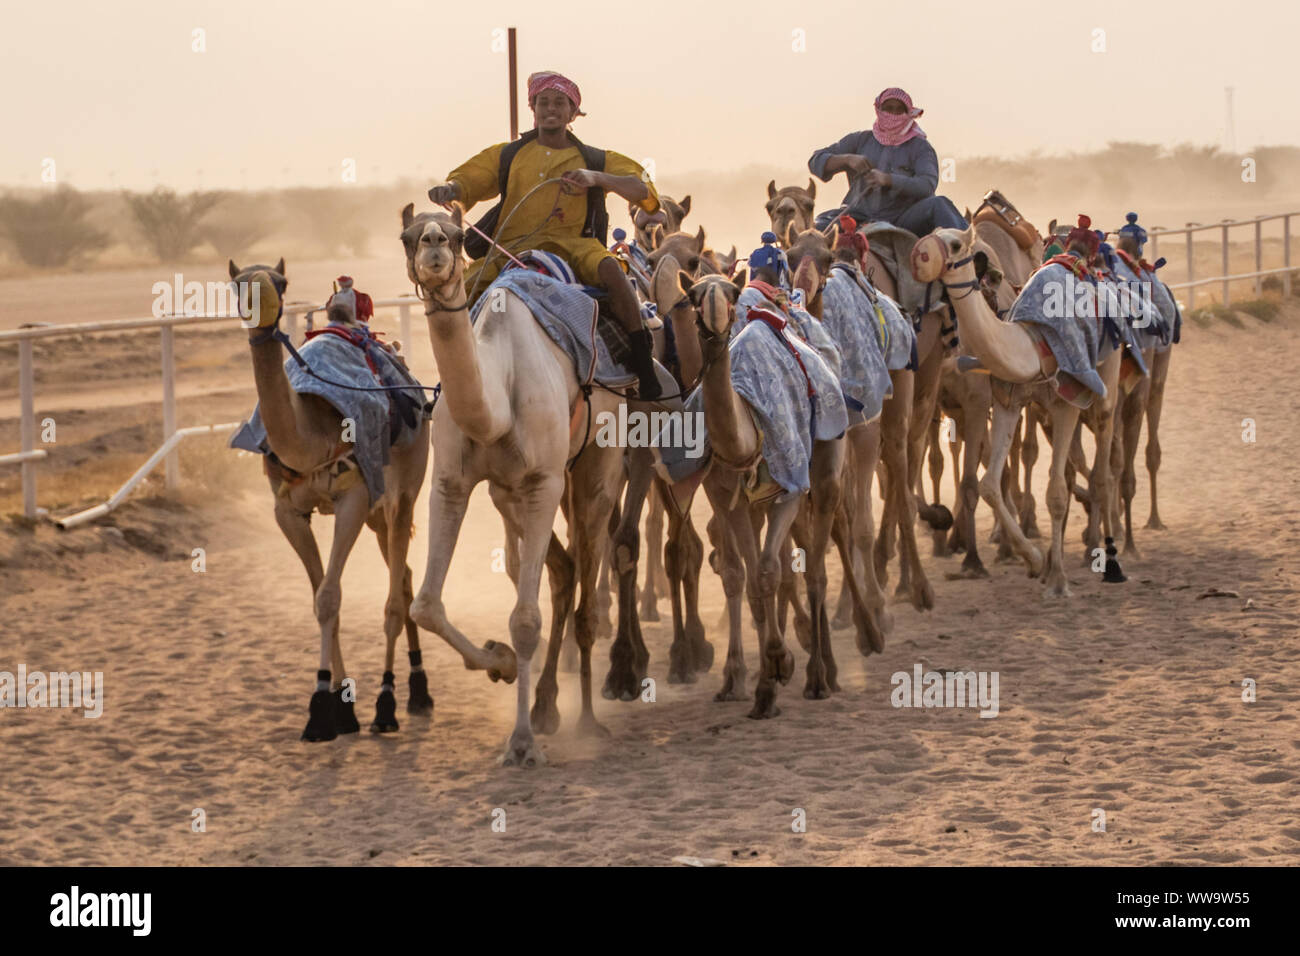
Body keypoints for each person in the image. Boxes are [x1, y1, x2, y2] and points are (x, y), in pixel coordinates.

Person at [428, 70, 663, 399]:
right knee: (456, 293)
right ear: (532, 108)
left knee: (612, 270)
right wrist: (450, 189)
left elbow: (643, 190)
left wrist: (595, 177)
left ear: (572, 113)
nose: (550, 109)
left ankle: (643, 366)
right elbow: (467, 182)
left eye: (559, 103)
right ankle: (453, 381)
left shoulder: (596, 158)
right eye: (543, 102)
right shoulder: (507, 155)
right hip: (511, 250)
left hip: (575, 247)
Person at [807, 87, 967, 237]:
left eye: (900, 110)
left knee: (940, 205)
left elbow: (927, 184)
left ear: (908, 113)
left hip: (902, 219)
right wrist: (847, 159)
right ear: (879, 110)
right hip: (859, 216)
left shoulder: (920, 147)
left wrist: (888, 180)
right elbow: (816, 160)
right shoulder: (860, 140)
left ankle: (973, 259)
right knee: (818, 229)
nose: (894, 114)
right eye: (889, 108)